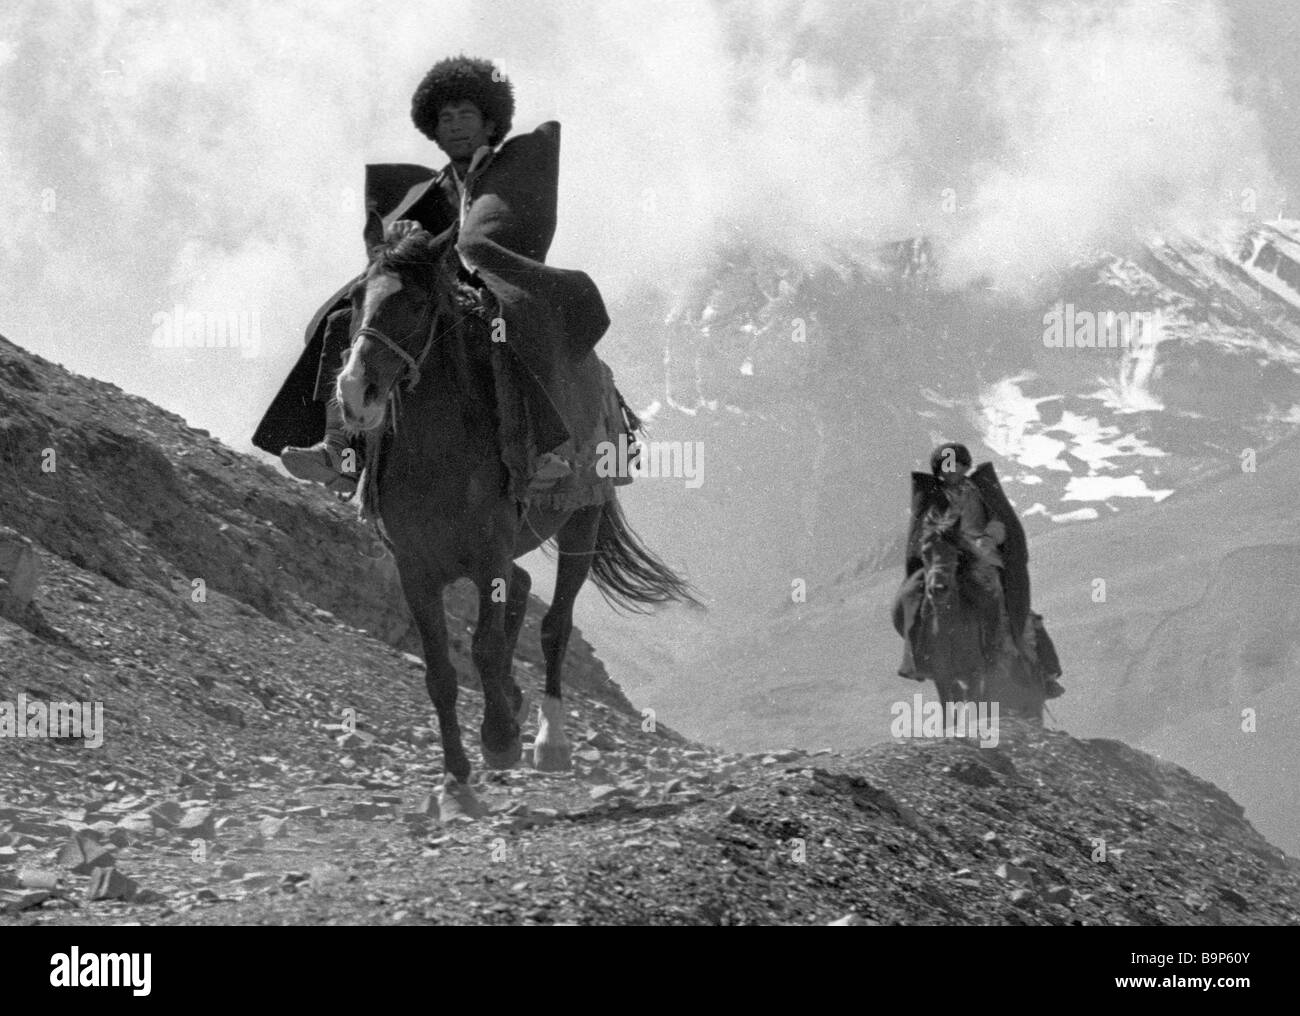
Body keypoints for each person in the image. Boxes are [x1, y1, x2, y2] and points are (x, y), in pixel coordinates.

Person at [263, 55, 590, 494]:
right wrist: (405, 239)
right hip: (429, 290)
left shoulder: (510, 171)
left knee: (501, 330)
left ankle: (538, 451)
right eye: (445, 117)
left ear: (491, 124)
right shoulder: (429, 190)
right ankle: (341, 449)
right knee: (344, 318)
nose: (454, 124)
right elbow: (402, 252)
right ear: (433, 131)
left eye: (466, 114)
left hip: (490, 290)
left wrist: (470, 259)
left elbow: (504, 237)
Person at [897, 442, 1064, 698]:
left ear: (966, 466)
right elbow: (925, 530)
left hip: (980, 555)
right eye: (946, 467)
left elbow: (999, 521)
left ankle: (1035, 665)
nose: (951, 471)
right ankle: (922, 655)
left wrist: (988, 537)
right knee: (915, 598)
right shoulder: (934, 496)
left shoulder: (980, 492)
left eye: (956, 465)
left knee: (1003, 601)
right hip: (944, 556)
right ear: (939, 469)